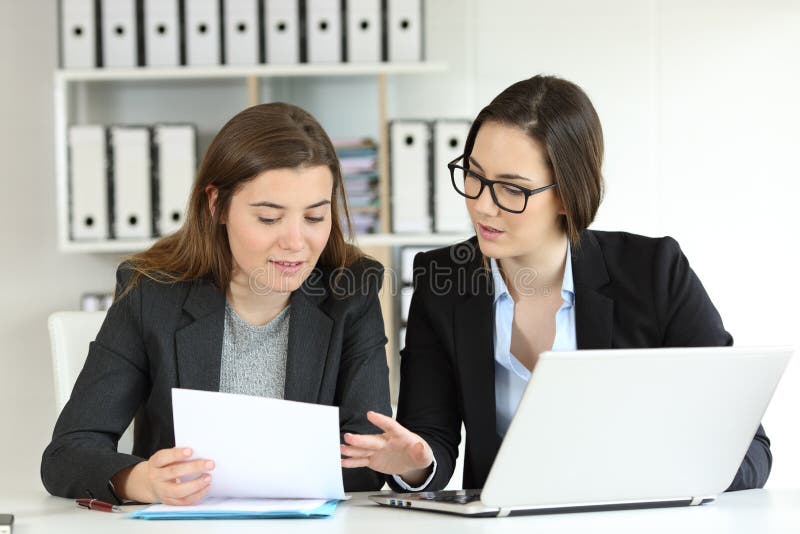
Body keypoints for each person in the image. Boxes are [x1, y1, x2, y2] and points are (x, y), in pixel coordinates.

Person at [340, 74, 771, 492]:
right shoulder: (444, 280)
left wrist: (659, 474)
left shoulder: (655, 272)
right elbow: (428, 440)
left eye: (511, 189)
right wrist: (416, 466)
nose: (482, 206)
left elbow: (750, 447)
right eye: (473, 175)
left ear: (567, 194)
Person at [41, 102, 391, 505]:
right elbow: (67, 454)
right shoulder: (152, 292)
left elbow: (365, 464)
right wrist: (140, 481)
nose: (296, 242)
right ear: (217, 205)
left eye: (315, 218)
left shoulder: (352, 289)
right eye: (269, 218)